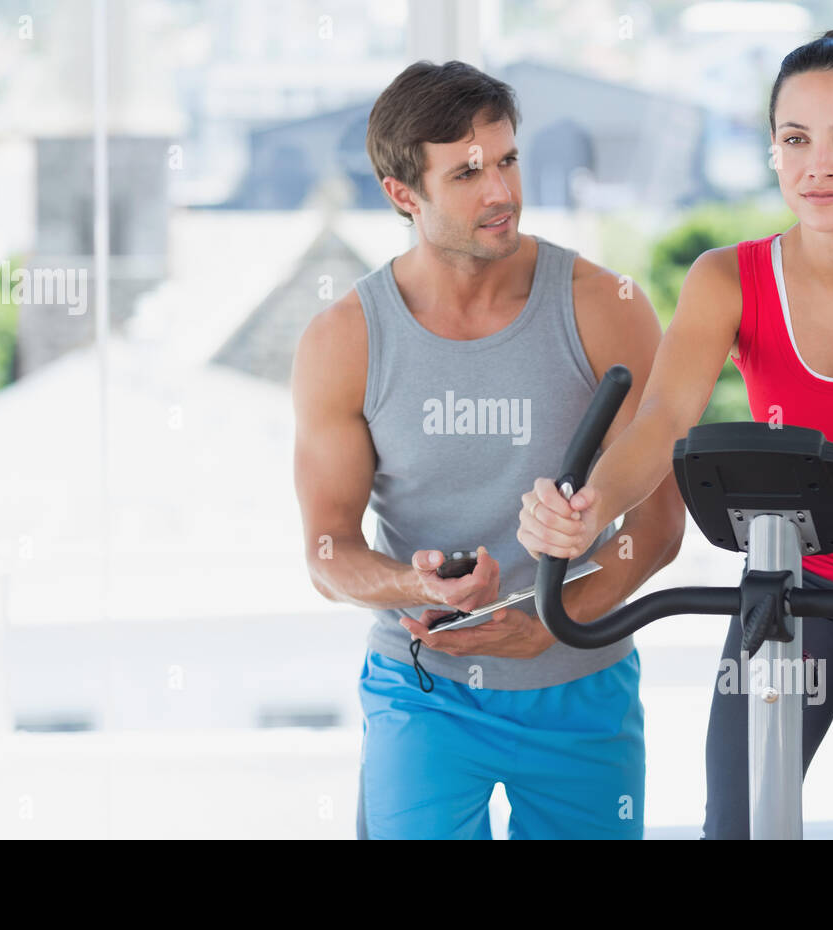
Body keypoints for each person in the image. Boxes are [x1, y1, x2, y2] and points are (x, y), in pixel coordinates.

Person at [516, 29, 833, 840]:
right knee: (737, 823)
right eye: (796, 139)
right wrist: (589, 507)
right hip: (795, 561)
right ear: (774, 154)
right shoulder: (728, 279)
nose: (819, 163)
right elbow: (664, 419)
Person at [292, 60, 686, 840]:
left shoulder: (608, 310)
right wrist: (414, 584)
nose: (501, 191)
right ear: (403, 194)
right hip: (424, 688)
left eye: (506, 160)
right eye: (467, 172)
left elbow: (661, 526)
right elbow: (327, 549)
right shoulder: (344, 340)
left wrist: (554, 620)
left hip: (582, 678)